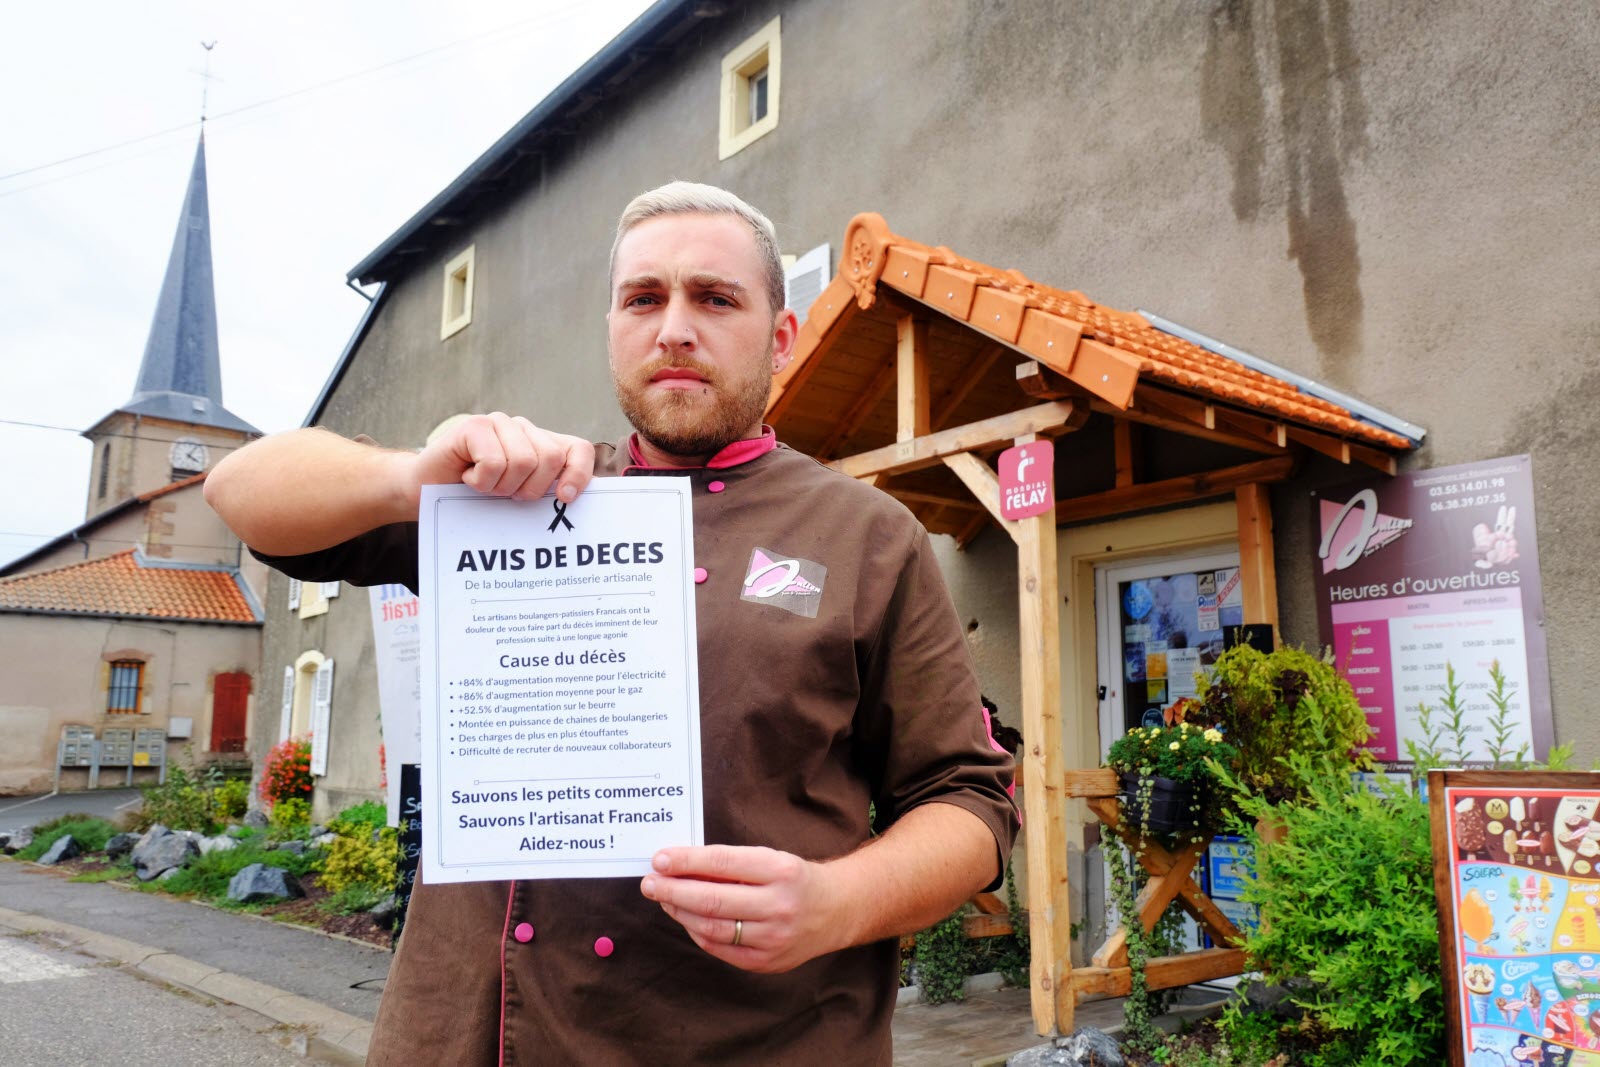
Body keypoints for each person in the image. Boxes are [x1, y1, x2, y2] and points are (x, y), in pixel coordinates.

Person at [205, 181, 1017, 1065]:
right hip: (461, 1034)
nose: (674, 327)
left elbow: (969, 803)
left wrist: (835, 902)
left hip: (756, 1040)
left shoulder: (868, 537)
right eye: (644, 298)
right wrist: (411, 479)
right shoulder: (508, 497)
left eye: (715, 297)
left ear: (780, 338)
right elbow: (239, 493)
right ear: (612, 332)